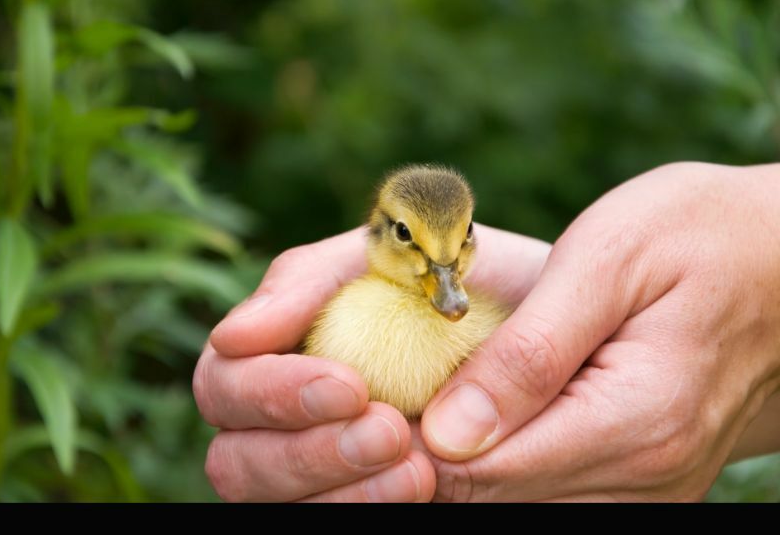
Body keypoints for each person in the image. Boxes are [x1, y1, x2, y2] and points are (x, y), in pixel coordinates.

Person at [193, 161, 780, 502]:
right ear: (379, 232)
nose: (450, 290)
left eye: (460, 245)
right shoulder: (344, 318)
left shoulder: (492, 322)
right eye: (409, 241)